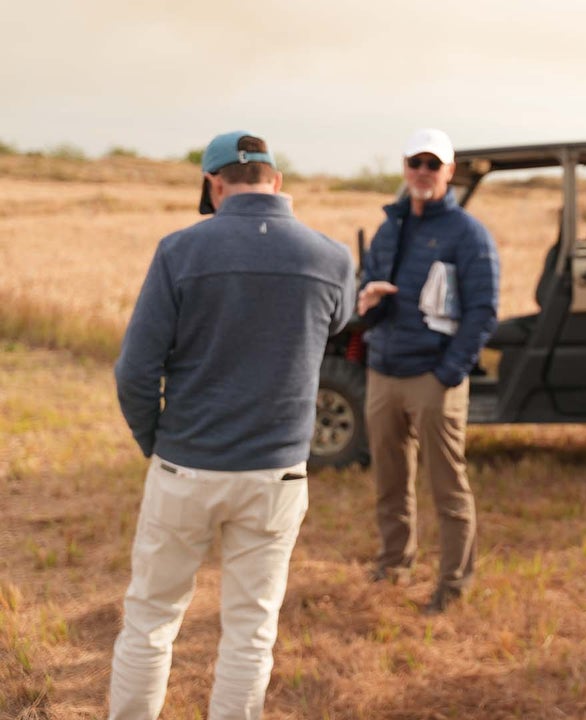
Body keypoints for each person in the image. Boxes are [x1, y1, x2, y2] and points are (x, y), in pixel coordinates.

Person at [109, 131, 355, 719]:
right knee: (251, 630)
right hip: (277, 474)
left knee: (151, 619)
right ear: (276, 180)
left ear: (214, 185)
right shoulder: (331, 258)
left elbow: (135, 371)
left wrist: (155, 441)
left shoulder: (180, 252)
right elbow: (338, 325)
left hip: (186, 464)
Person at [358, 128, 499, 614]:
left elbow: (483, 310)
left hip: (433, 377)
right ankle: (393, 564)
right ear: (404, 168)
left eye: (432, 164)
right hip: (383, 370)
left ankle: (453, 585)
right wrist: (369, 300)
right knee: (389, 480)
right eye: (415, 163)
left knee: (447, 485)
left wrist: (448, 372)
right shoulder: (390, 227)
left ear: (449, 171)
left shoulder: (468, 234)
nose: (422, 172)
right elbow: (371, 285)